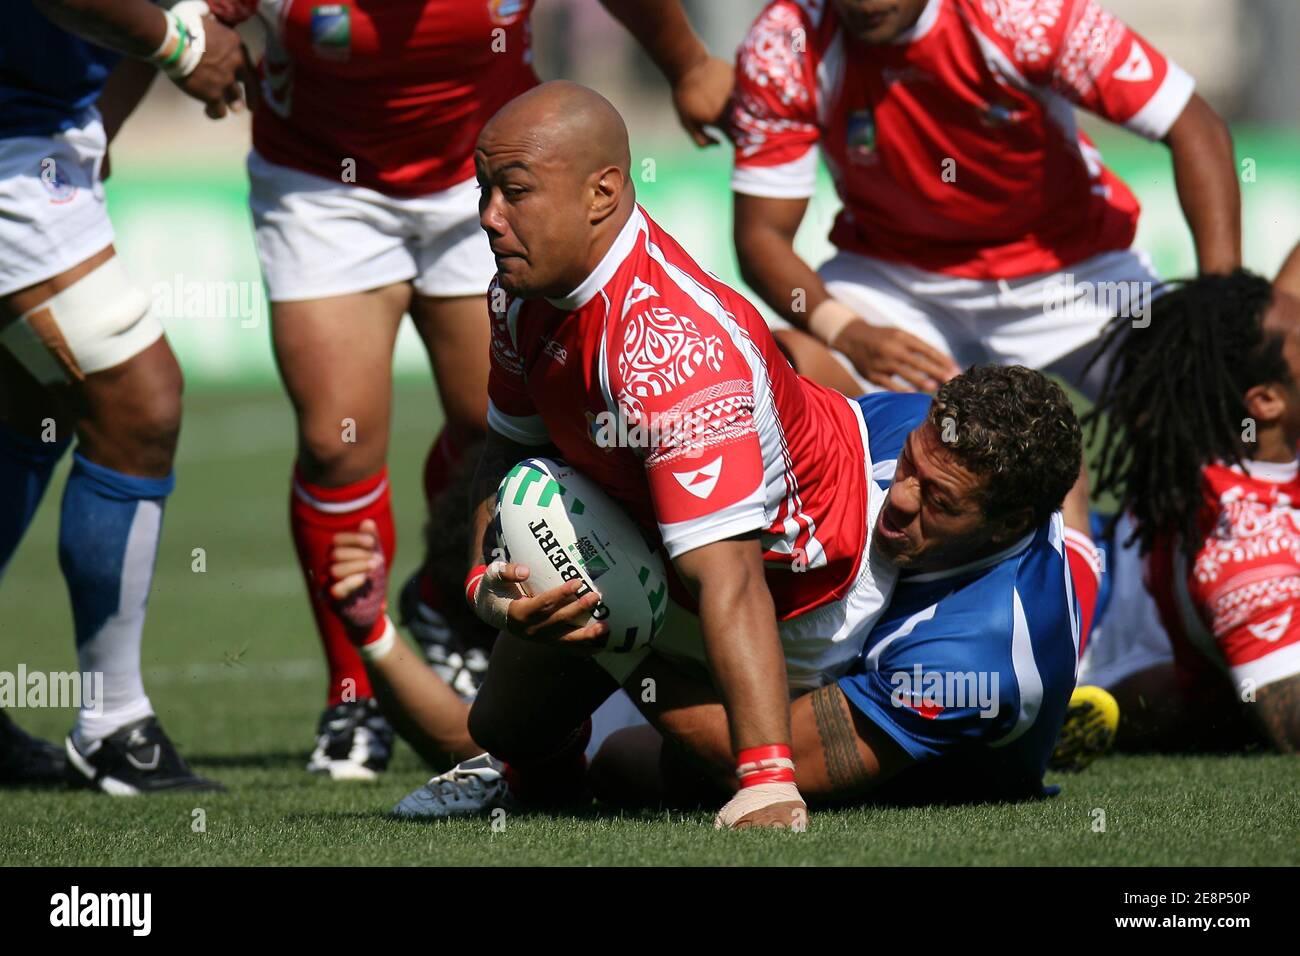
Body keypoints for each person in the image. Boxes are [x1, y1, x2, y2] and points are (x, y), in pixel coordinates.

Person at [370, 79, 1068, 829]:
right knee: (501, 725)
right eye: (484, 192)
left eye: (512, 192)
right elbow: (509, 442)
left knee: (642, 772)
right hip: (721, 555)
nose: (487, 219)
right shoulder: (516, 297)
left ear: (602, 193)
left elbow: (734, 582)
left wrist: (764, 782)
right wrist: (485, 579)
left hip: (802, 601)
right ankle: (530, 769)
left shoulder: (673, 355)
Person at [207, 0, 736, 780]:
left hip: (489, 179)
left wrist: (688, 63)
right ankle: (353, 693)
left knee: (493, 430)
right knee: (336, 438)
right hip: (322, 176)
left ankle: (443, 600)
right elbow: (174, 25)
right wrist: (164, 56)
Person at [727, 0, 1239, 398]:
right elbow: (761, 235)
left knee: (1216, 397)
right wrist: (847, 331)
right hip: (895, 283)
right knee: (784, 380)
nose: (864, 4)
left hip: (1070, 272)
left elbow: (1194, 125)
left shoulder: (1022, 15)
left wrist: (1221, 303)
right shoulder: (784, 43)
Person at [0, 0, 248, 793]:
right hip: (10, 149)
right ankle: (113, 726)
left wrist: (109, 112)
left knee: (27, 409)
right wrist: (178, 43)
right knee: (138, 398)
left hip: (41, 139)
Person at [1075, 264, 1300, 754]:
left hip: (1117, 564)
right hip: (1086, 634)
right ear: (1265, 401)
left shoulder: (1251, 439)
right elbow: (1292, 722)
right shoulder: (1243, 541)